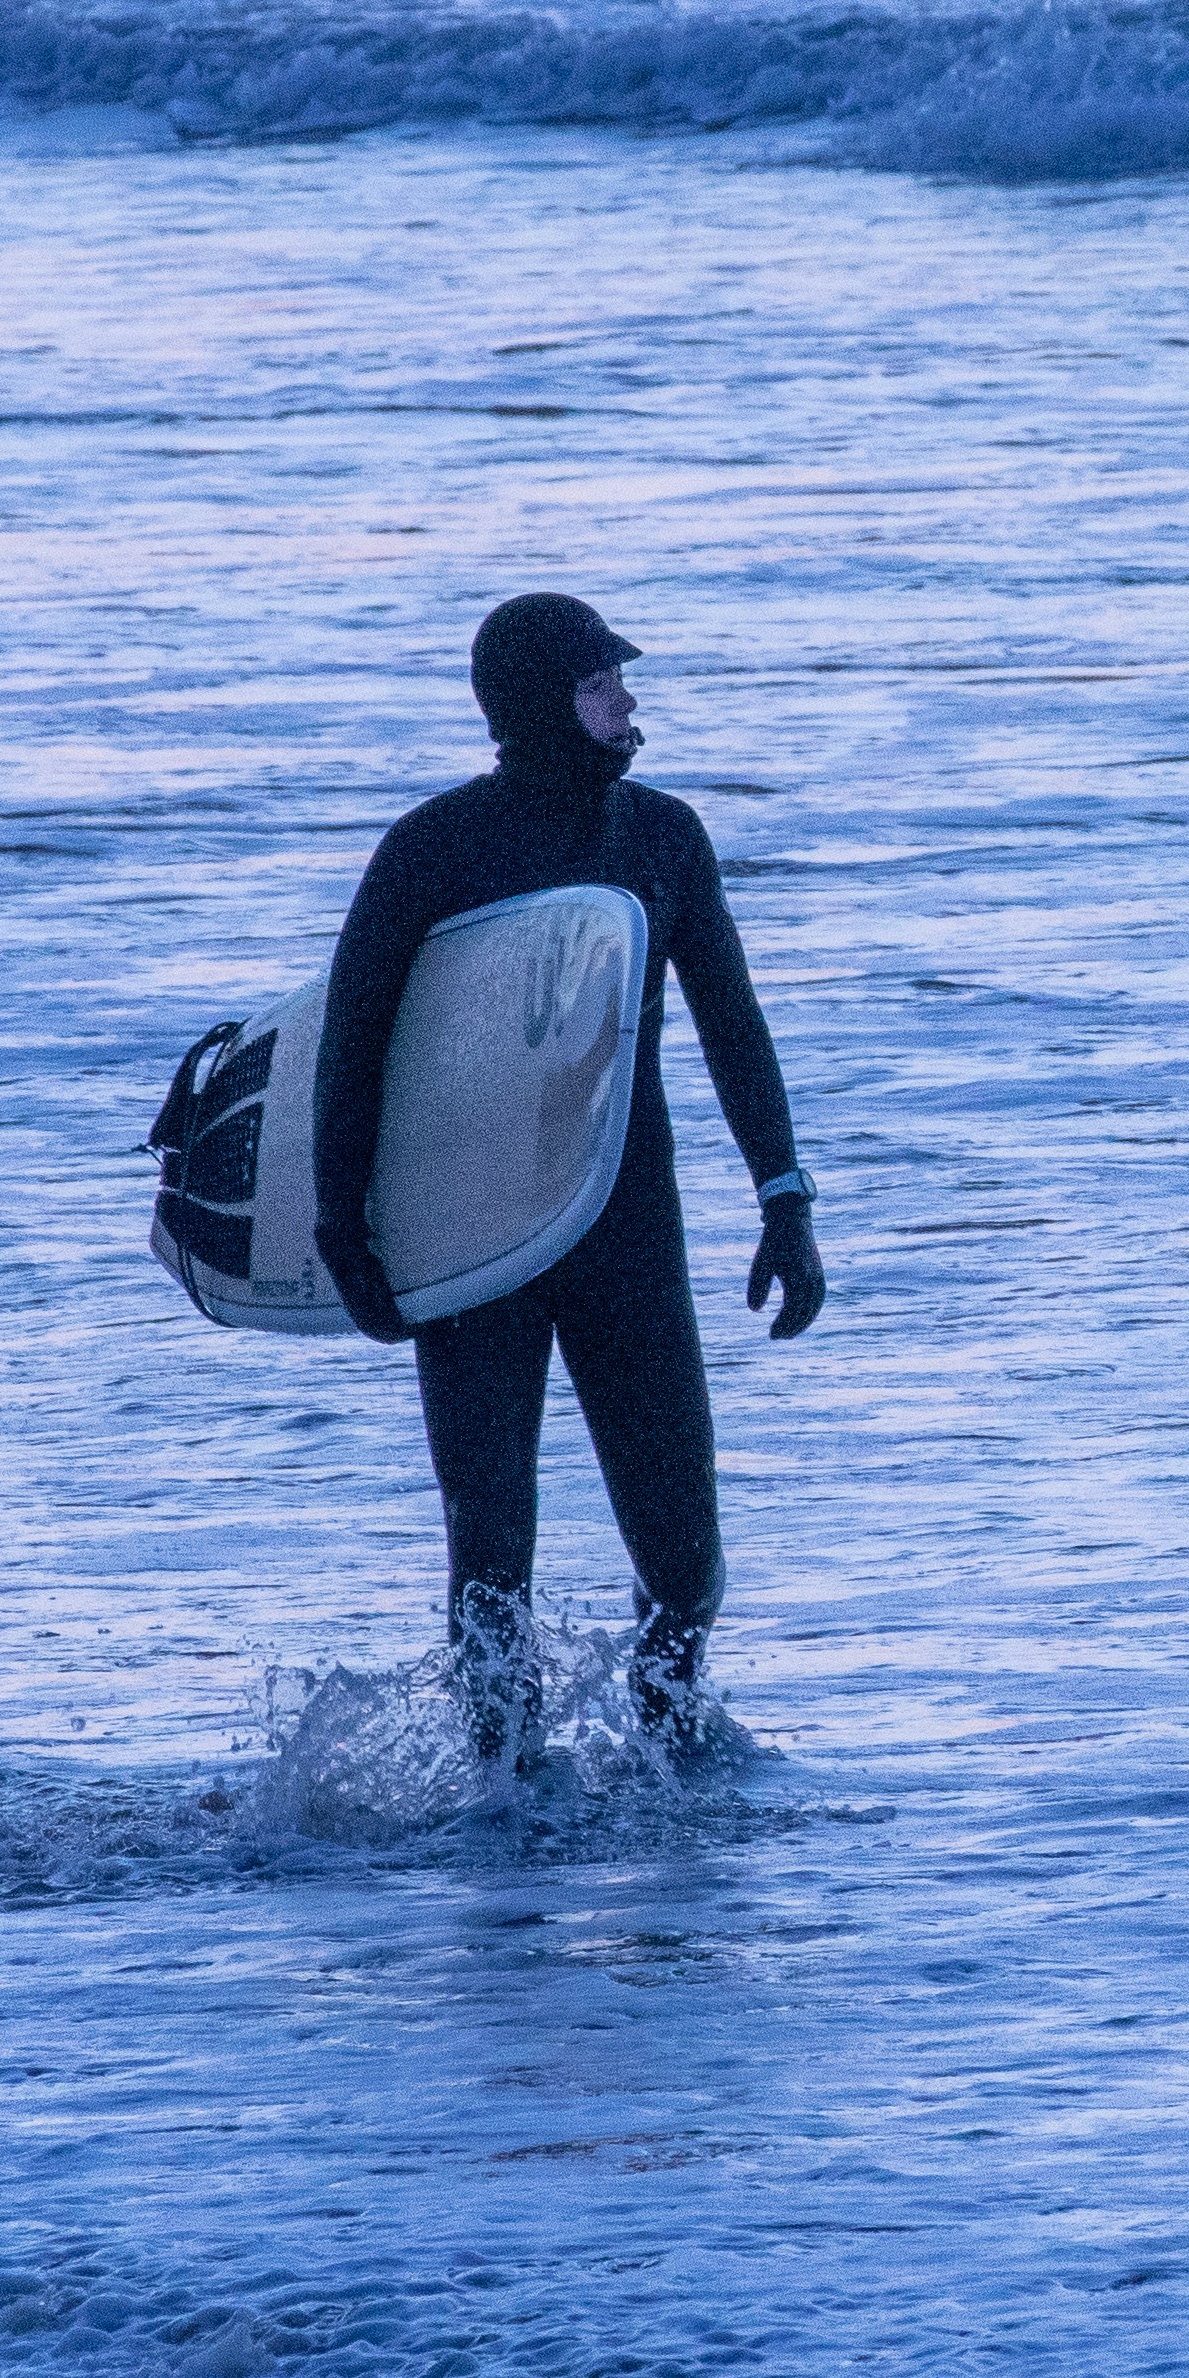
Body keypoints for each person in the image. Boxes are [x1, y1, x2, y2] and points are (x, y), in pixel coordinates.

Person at [310, 593, 821, 1753]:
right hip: (472, 1236)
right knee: (490, 1551)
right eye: (602, 688)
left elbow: (733, 1023)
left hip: (627, 1232)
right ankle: (506, 1792)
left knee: (686, 1567)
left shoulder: (664, 838)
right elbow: (351, 1041)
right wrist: (347, 1227)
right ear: (545, 707)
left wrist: (785, 1198)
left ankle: (672, 1758)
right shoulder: (435, 850)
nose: (628, 705)